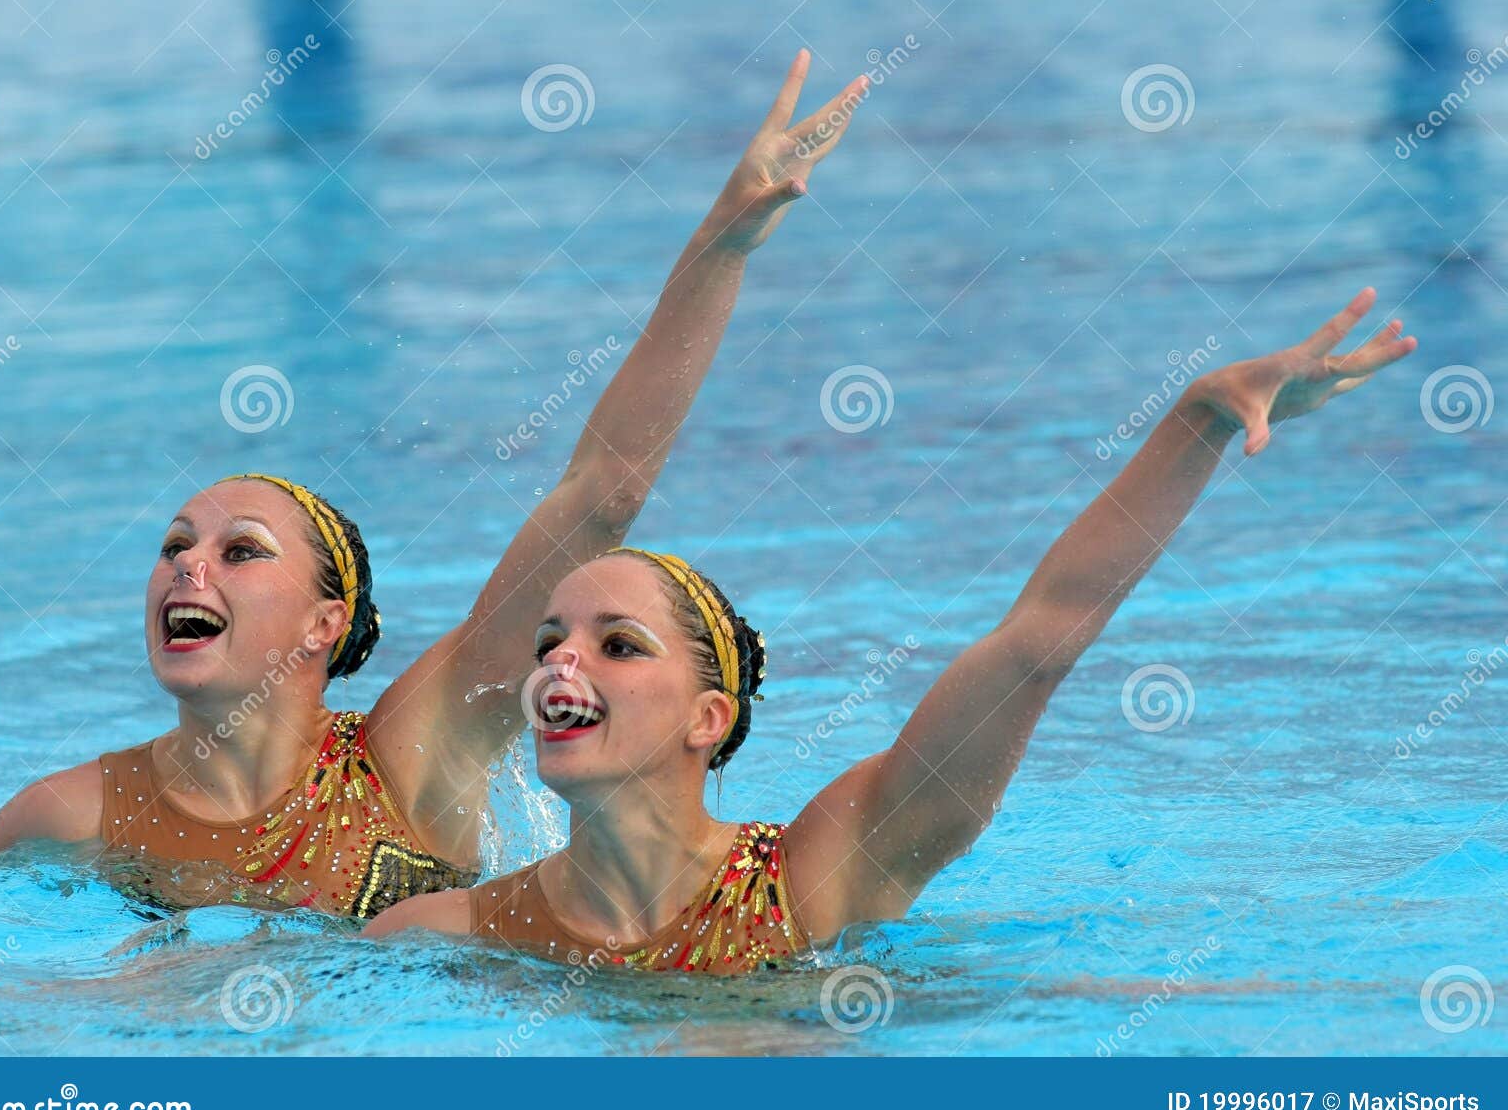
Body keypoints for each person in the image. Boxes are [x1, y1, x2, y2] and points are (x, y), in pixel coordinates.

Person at [0, 52, 870, 920]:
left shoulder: (411, 759)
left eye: (239, 550)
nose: (186, 568)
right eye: (174, 547)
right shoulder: (71, 818)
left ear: (324, 624)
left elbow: (606, 494)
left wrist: (725, 241)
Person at [365, 290, 1417, 966]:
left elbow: (1036, 645)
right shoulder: (447, 935)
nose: (560, 660)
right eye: (551, 637)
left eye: (617, 643)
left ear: (707, 717)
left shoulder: (821, 876)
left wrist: (1194, 422)